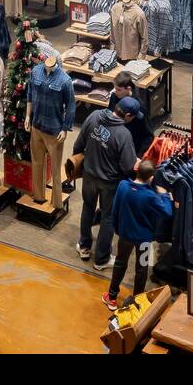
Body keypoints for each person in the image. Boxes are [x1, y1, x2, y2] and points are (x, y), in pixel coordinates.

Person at [72, 96, 138, 269]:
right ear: (128, 115)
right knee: (108, 218)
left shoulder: (94, 116)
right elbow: (127, 166)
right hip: (109, 183)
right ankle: (101, 259)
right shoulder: (124, 134)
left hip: (88, 175)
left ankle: (84, 246)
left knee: (88, 207)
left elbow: (78, 144)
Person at [105, 160, 174, 311]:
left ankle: (111, 296)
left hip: (124, 235)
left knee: (119, 263)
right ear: (151, 177)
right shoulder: (151, 196)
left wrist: (117, 229)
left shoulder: (123, 186)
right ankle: (136, 301)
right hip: (144, 240)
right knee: (141, 269)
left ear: (137, 171)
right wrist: (165, 196)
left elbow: (115, 209)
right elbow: (167, 212)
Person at [109, 73, 155, 157]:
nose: (116, 92)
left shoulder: (139, 107)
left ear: (128, 89)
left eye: (119, 89)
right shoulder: (114, 97)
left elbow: (149, 135)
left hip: (132, 147)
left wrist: (139, 156)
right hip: (114, 144)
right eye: (115, 89)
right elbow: (109, 117)